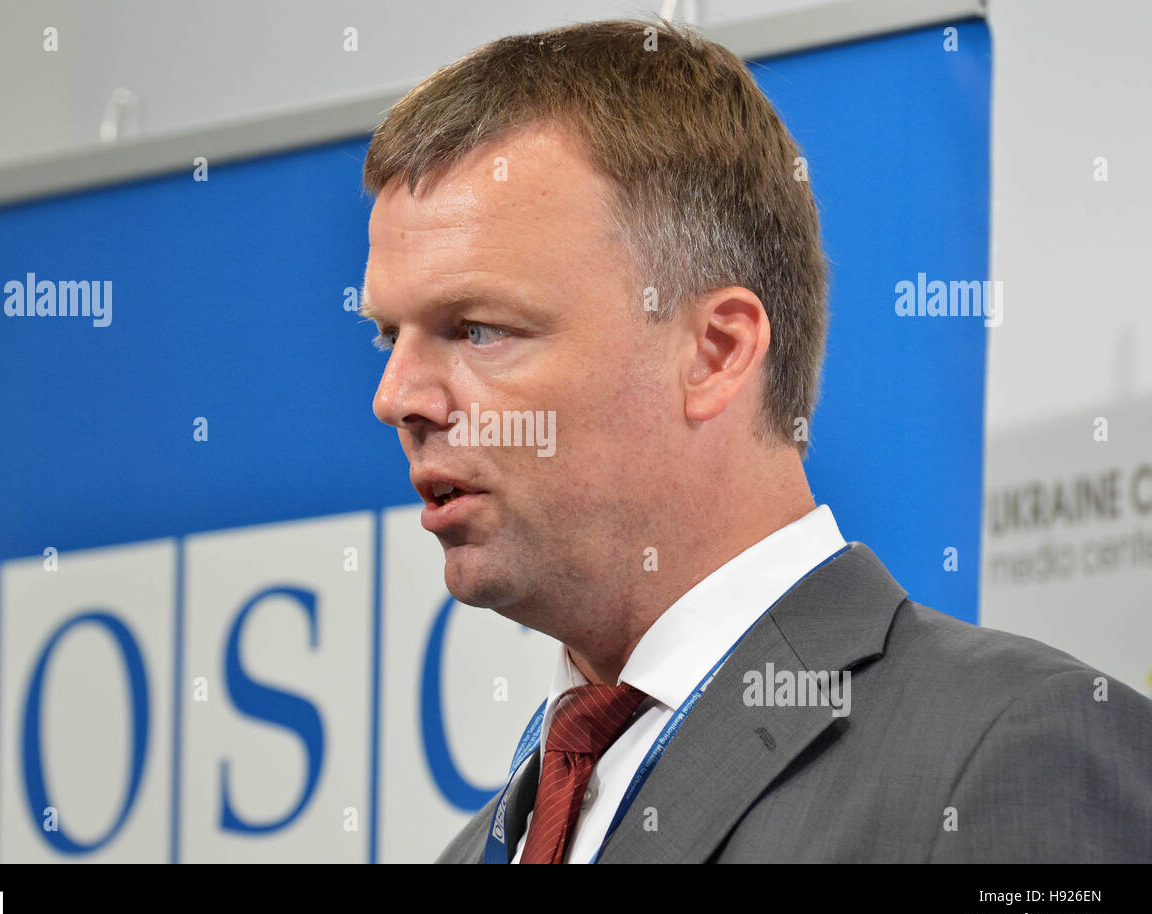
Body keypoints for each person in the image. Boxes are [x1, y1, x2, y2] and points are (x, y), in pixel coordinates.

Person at [357, 17, 1152, 863]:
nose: (395, 397)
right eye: (386, 336)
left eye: (477, 329)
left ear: (716, 353)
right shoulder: (481, 846)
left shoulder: (1015, 752)